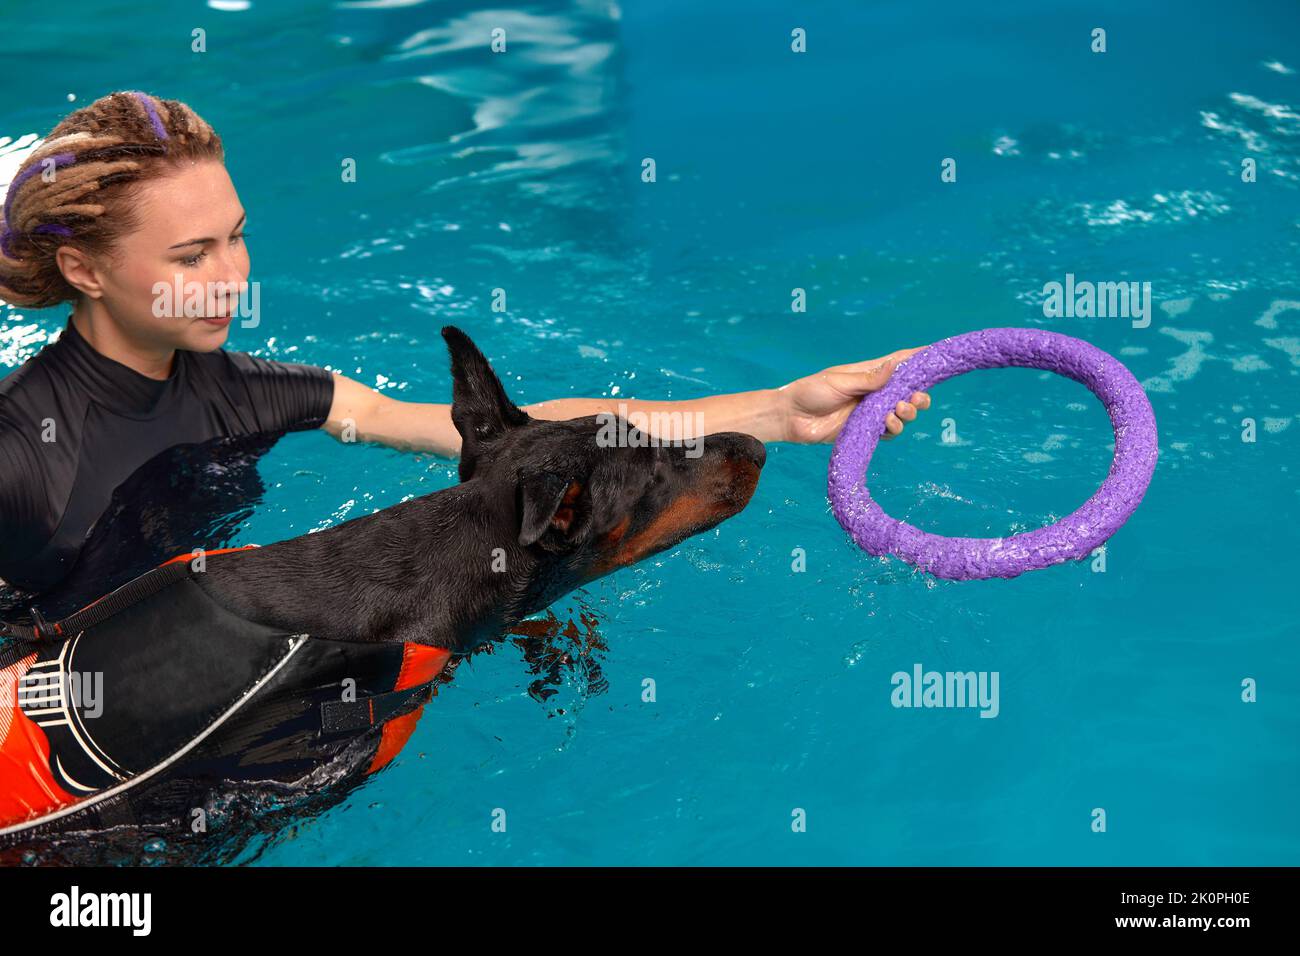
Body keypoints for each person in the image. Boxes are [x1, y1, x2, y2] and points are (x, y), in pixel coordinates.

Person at [0, 91, 930, 604]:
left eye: (237, 235)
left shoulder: (248, 391)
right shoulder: (23, 449)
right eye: (192, 255)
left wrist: (780, 410)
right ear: (83, 271)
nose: (233, 275)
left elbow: (517, 438)